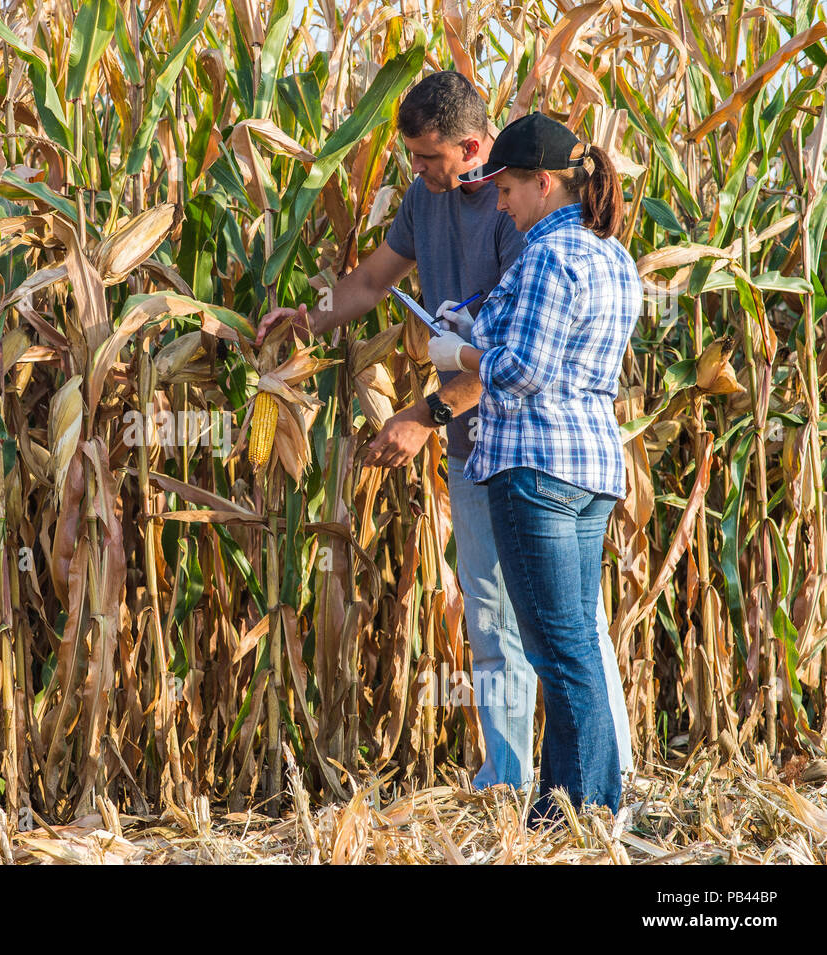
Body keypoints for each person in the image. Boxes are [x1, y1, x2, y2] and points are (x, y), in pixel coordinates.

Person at [258, 72, 632, 792]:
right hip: (482, 452)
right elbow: (369, 284)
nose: (419, 173)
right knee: (494, 623)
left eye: (430, 159)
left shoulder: (521, 216)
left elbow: (512, 361)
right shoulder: (427, 201)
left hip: (528, 451)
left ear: (471, 146)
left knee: (565, 630)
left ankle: (599, 784)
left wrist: (424, 414)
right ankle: (511, 779)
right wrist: (306, 320)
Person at [413, 111, 643, 823]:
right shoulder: (611, 254)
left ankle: (568, 808)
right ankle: (591, 806)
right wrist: (472, 324)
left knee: (557, 648)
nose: (501, 204)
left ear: (543, 184)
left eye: (508, 189)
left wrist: (460, 357)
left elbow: (523, 369)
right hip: (592, 467)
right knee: (576, 638)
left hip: (535, 467)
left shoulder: (545, 255)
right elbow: (560, 350)